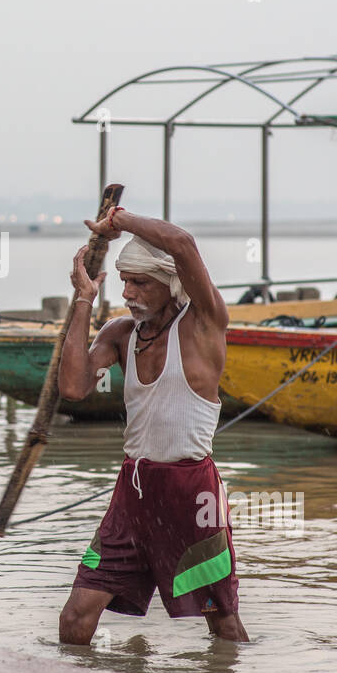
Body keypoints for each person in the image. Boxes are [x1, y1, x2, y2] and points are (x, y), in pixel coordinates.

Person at [57, 206, 248, 643]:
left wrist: (117, 221)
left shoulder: (204, 323)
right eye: (124, 281)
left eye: (140, 282)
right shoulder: (121, 333)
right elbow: (72, 387)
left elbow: (181, 244)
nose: (128, 292)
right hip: (134, 494)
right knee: (75, 619)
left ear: (171, 283)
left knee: (221, 621)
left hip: (191, 493)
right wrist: (83, 299)